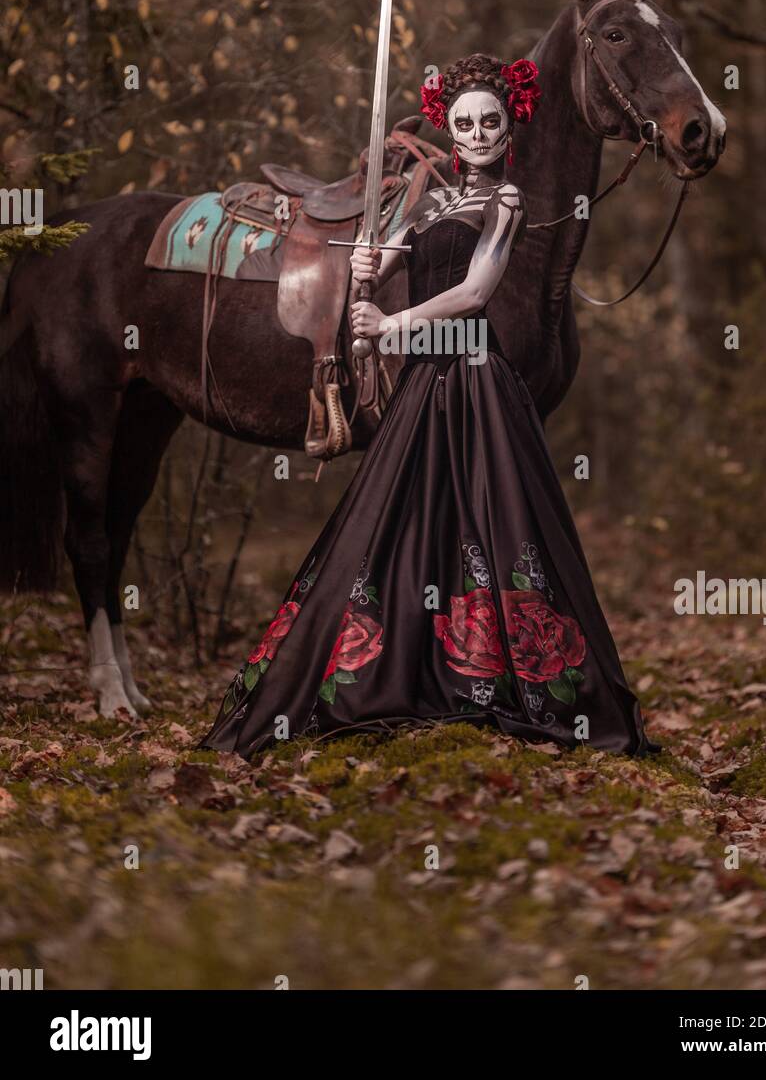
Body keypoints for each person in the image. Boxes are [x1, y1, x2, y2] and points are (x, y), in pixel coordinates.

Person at [201, 54, 653, 756]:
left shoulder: (506, 201)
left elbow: (474, 293)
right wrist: (367, 267)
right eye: (464, 124)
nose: (477, 135)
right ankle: (406, 668)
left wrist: (393, 324)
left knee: (494, 520)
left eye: (489, 123)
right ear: (452, 129)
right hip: (422, 382)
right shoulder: (430, 206)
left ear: (508, 130)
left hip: (476, 374)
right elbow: (384, 266)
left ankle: (496, 677)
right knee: (405, 522)